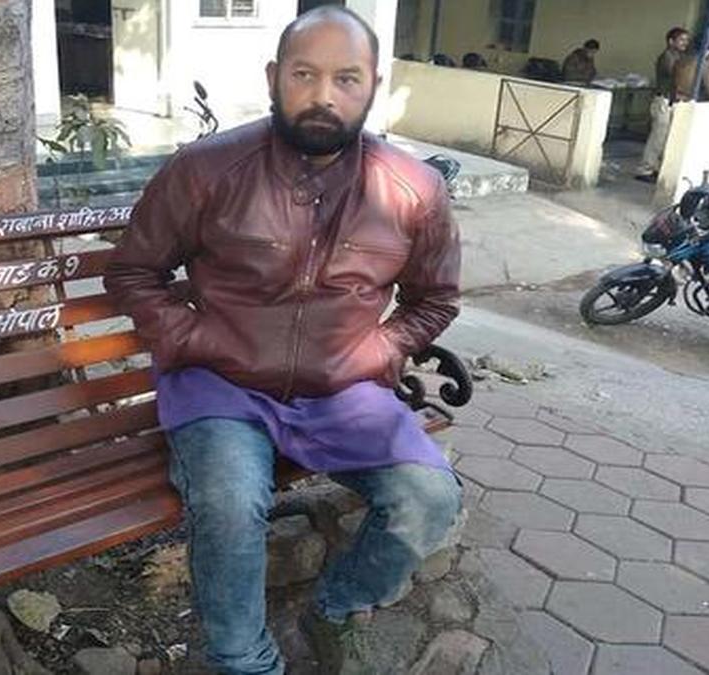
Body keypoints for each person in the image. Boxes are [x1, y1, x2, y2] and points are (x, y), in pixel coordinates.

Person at [103, 6, 462, 674]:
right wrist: (198, 337)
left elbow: (434, 299)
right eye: (305, 73)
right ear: (275, 77)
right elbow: (132, 271)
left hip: (344, 392)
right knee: (233, 503)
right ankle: (244, 659)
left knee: (431, 496)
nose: (324, 95)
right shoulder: (208, 168)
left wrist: (379, 352)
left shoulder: (414, 188)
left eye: (346, 78)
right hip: (220, 384)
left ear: (373, 84)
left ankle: (333, 607)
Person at [636, 27, 691, 183]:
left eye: (686, 40)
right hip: (663, 100)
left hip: (672, 100)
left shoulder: (678, 57)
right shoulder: (667, 57)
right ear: (671, 41)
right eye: (681, 40)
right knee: (658, 137)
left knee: (665, 137)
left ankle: (654, 167)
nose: (685, 43)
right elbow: (676, 75)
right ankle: (645, 169)